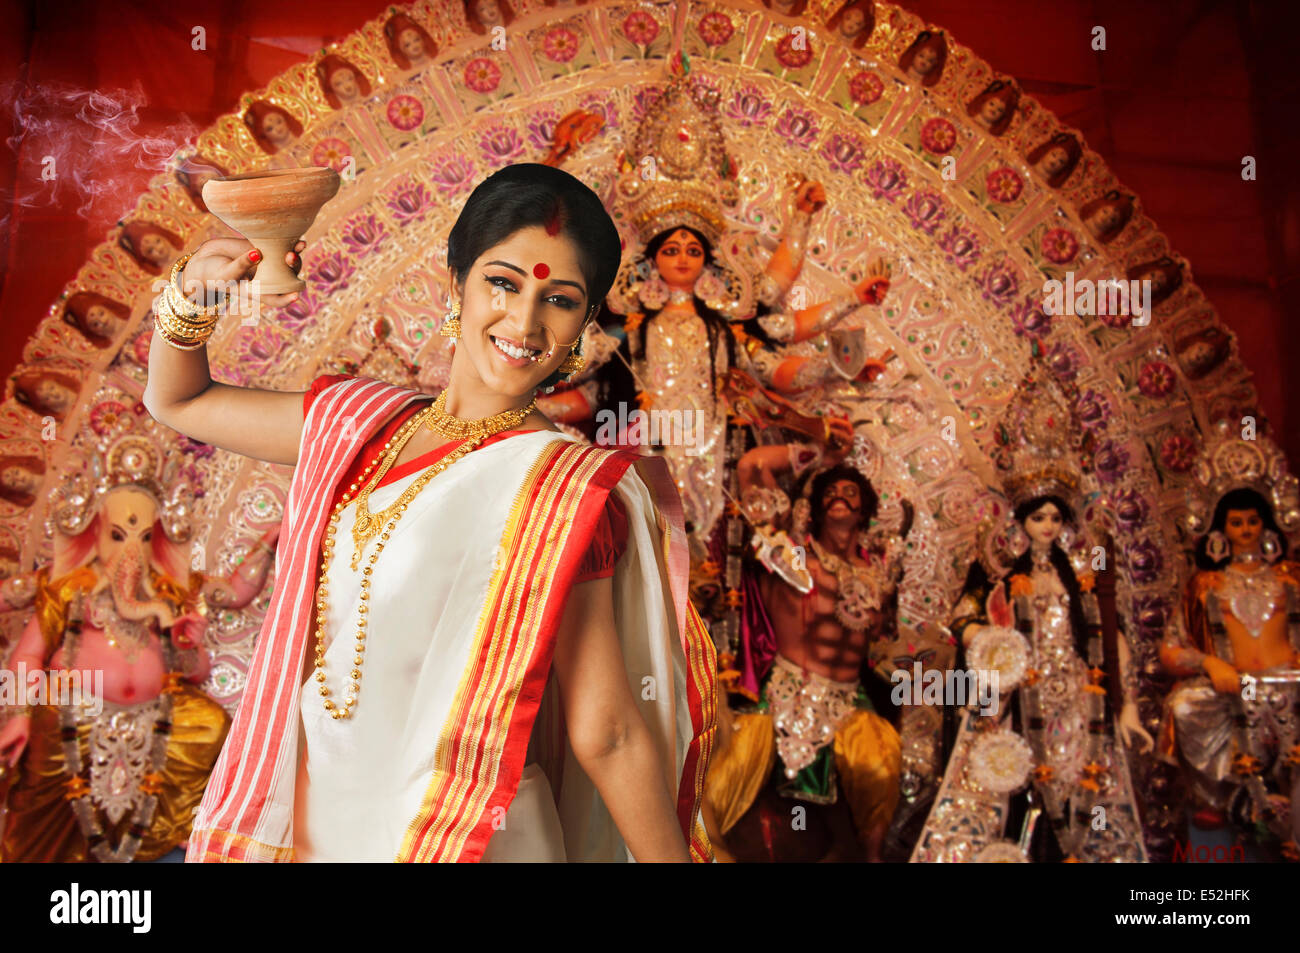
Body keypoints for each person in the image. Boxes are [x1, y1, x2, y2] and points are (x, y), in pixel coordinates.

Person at [142, 162, 716, 863]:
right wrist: (193, 297)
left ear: (585, 324)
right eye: (503, 282)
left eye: (559, 299)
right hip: (316, 818)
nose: (524, 321)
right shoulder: (359, 426)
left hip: (469, 836)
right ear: (456, 282)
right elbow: (179, 400)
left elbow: (609, 730)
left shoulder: (562, 491)